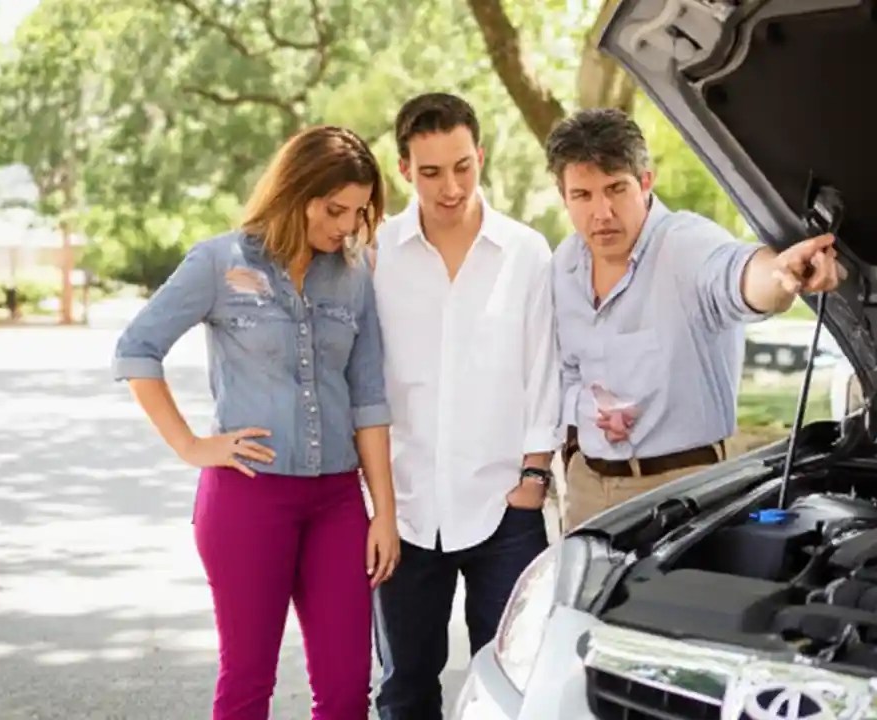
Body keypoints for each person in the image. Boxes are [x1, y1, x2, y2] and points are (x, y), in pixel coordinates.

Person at [112, 125, 400, 720]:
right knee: (248, 684)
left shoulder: (352, 276)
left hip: (337, 503)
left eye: (360, 211)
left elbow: (368, 396)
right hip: (248, 500)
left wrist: (385, 513)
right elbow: (138, 349)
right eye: (335, 208)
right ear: (297, 191)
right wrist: (192, 445)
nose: (347, 225)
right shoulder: (218, 262)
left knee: (348, 691)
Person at [546, 108, 843, 529]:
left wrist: (780, 275)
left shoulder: (686, 244)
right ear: (564, 196)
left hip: (679, 492)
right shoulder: (564, 265)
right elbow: (558, 372)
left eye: (616, 189)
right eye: (583, 195)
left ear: (645, 181)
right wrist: (586, 408)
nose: (602, 212)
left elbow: (738, 273)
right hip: (586, 489)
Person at [370, 92, 559, 720]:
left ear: (480, 155)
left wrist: (533, 478)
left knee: (511, 685)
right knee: (404, 688)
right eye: (430, 172)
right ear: (403, 170)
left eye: (462, 167)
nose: (450, 187)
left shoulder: (527, 252)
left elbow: (544, 370)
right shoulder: (376, 255)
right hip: (405, 509)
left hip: (505, 506)